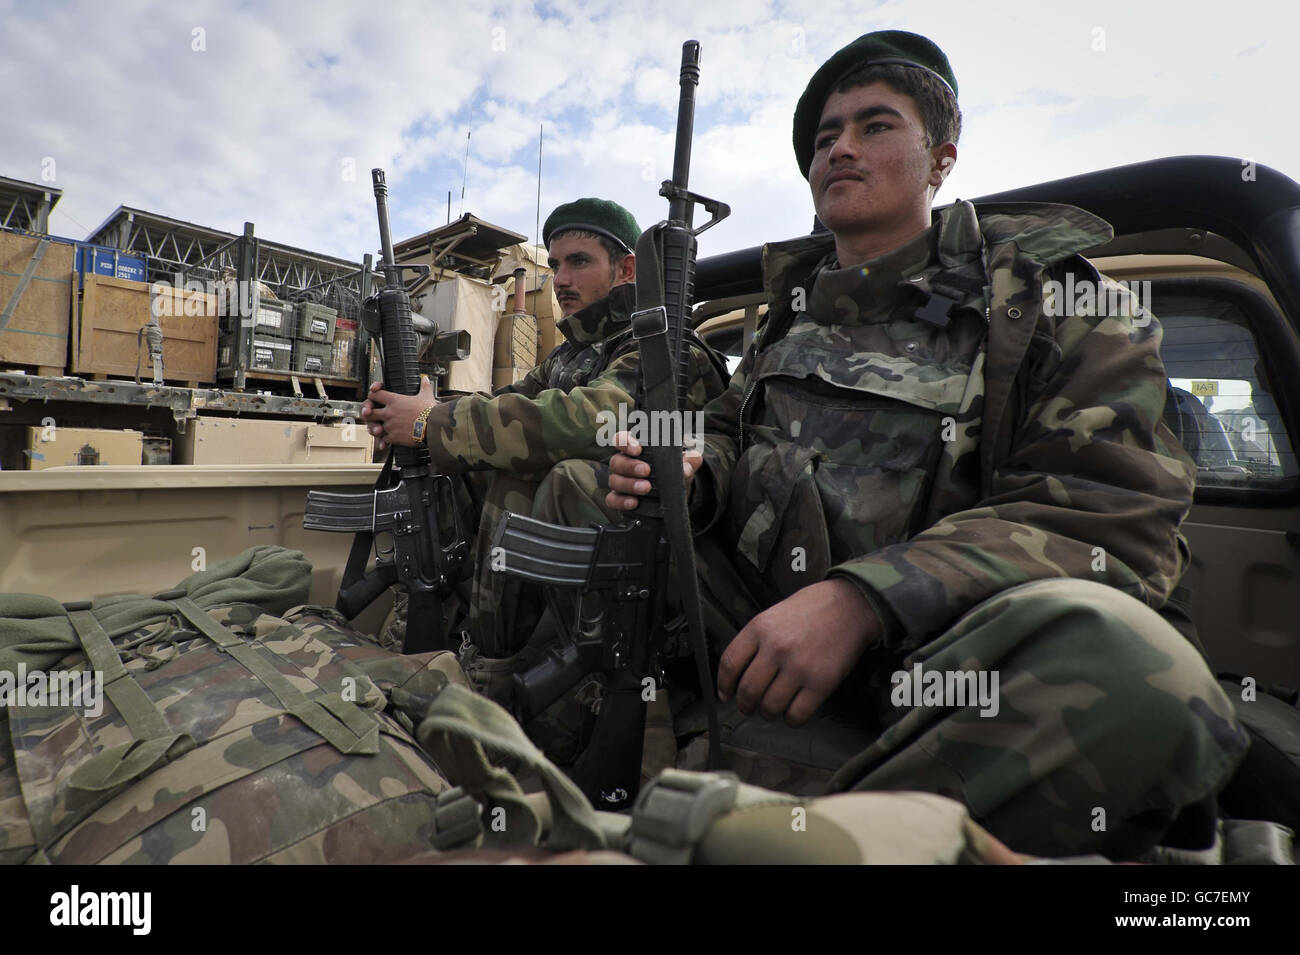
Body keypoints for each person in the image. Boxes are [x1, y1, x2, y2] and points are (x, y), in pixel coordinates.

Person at [583, 30, 1247, 858]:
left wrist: (865, 598)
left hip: (933, 675)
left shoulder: (1057, 304)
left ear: (941, 158)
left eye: (874, 127)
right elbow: (725, 421)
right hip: (746, 646)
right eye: (825, 139)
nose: (841, 150)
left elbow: (1113, 514)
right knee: (579, 493)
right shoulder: (791, 312)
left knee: (1137, 664)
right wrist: (689, 466)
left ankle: (843, 836)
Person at [361, 197, 727, 658]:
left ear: (627, 269)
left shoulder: (663, 351)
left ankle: (497, 662)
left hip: (654, 557)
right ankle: (447, 628)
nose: (562, 280)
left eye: (580, 262)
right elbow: (504, 404)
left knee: (523, 473)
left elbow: (590, 420)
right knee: (466, 459)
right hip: (592, 545)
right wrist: (415, 409)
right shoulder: (572, 352)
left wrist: (431, 423)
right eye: (555, 265)